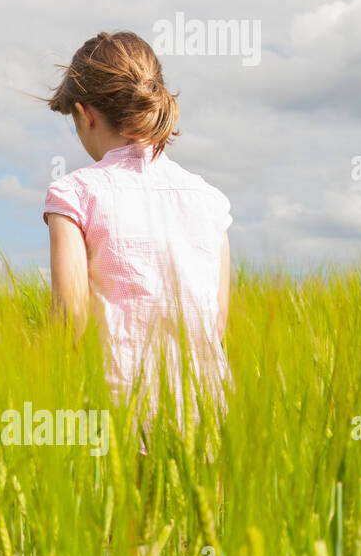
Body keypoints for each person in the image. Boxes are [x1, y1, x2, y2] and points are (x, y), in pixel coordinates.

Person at [43, 31, 232, 427]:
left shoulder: (73, 194)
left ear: (86, 114)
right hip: (208, 411)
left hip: (117, 412)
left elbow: (70, 322)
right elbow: (214, 322)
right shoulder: (210, 201)